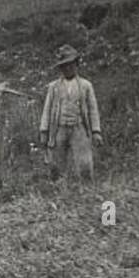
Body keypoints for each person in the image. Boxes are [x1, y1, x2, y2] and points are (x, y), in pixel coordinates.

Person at [39, 45, 103, 181]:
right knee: (55, 162)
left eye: (70, 65)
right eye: (64, 66)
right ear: (60, 68)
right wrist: (44, 131)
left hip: (78, 128)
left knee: (84, 163)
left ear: (76, 64)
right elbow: (47, 110)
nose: (67, 68)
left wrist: (96, 131)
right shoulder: (53, 87)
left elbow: (93, 109)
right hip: (59, 129)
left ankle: (87, 188)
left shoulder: (86, 86)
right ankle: (57, 188)